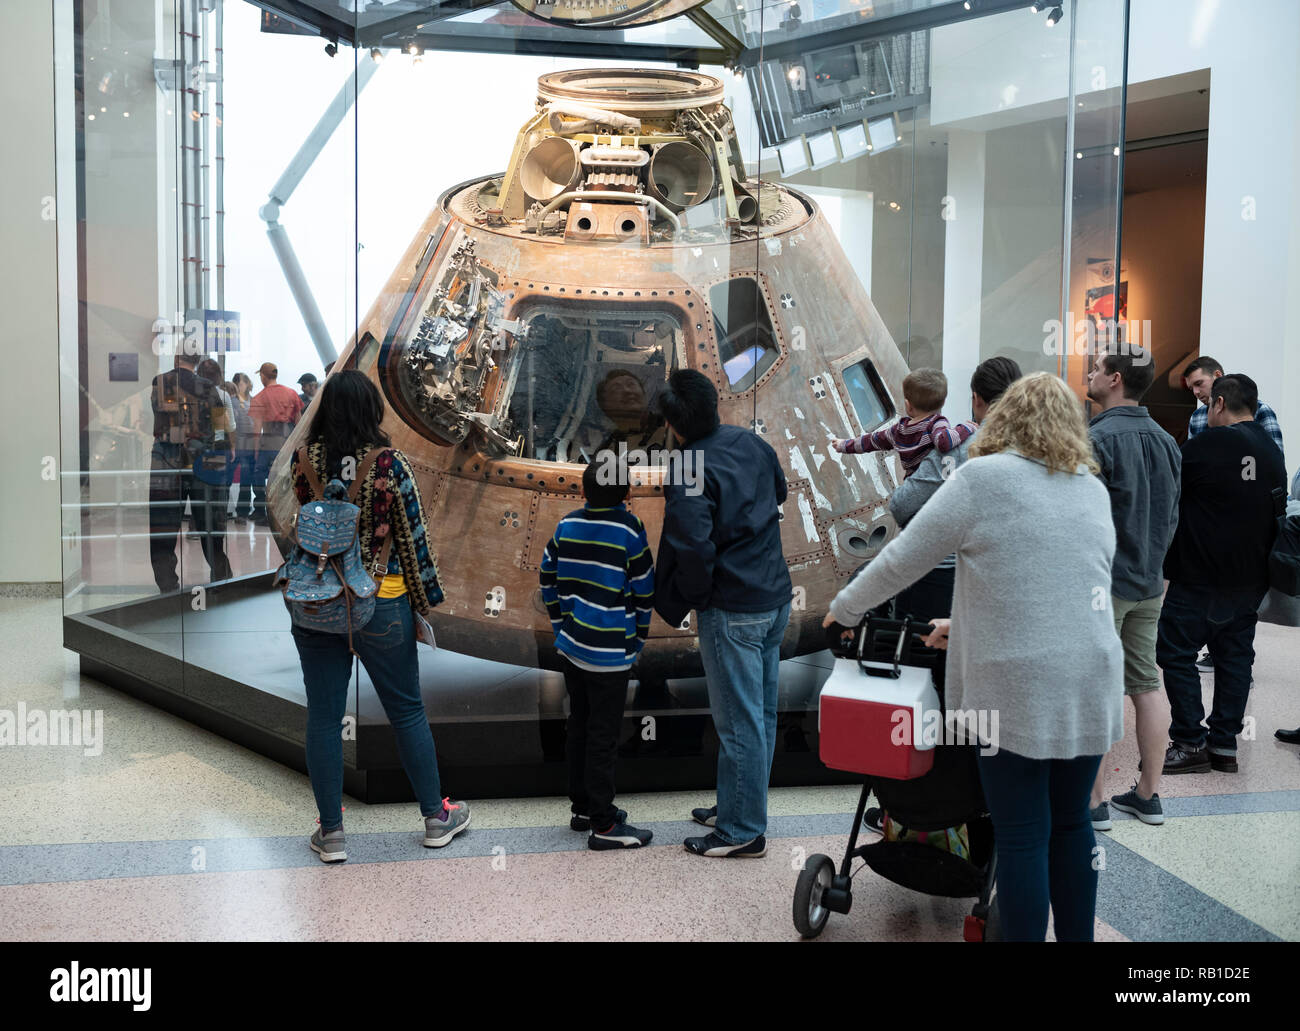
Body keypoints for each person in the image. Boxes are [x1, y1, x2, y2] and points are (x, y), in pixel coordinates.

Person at [823, 372, 1124, 941]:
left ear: (1004, 417)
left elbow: (901, 560)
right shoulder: (1090, 486)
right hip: (1090, 679)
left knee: (1022, 836)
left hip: (1015, 687)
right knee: (1071, 825)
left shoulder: (981, 479)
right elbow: (1064, 589)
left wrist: (846, 609)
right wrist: (963, 624)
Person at [288, 371, 468, 863]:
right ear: (371, 411)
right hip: (381, 601)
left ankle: (332, 833)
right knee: (406, 710)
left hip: (318, 603)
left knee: (324, 719)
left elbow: (304, 529)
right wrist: (425, 599)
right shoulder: (388, 464)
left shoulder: (304, 461)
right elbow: (412, 538)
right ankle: (435, 817)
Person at [855, 356, 1021, 833]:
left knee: (927, 689)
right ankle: (980, 805)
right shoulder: (1041, 450)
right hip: (1003, 594)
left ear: (976, 398)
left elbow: (906, 506)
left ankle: (920, 802)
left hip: (941, 584)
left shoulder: (966, 446)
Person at [655, 369, 791, 857]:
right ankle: (739, 803)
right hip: (775, 600)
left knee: (738, 724)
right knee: (761, 716)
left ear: (673, 424)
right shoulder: (750, 443)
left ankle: (741, 831)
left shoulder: (687, 466)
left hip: (732, 611)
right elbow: (780, 494)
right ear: (716, 405)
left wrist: (696, 597)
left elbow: (693, 546)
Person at [1157, 373, 1287, 774]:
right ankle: (1224, 746)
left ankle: (1188, 740)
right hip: (1250, 580)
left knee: (1175, 653)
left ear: (1218, 403)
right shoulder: (1271, 450)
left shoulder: (1204, 445)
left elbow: (1169, 494)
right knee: (1235, 660)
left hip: (1198, 574)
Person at [1083, 346, 1181, 830]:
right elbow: (1172, 515)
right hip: (1148, 583)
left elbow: (1081, 518)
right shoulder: (1168, 441)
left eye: (1096, 368)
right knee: (1146, 683)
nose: (1089, 374)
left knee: (1099, 687)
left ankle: (1096, 801)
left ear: (1115, 378)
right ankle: (1148, 795)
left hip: (1105, 585)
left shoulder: (1095, 439)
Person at [539, 460, 656, 850]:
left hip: (573, 648)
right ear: (627, 495)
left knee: (580, 727)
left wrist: (561, 625)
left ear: (583, 493)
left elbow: (547, 577)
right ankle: (604, 826)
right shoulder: (630, 529)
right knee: (604, 737)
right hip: (610, 655)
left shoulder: (566, 525)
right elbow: (644, 588)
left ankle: (585, 808)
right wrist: (637, 638)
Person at [148, 352, 232, 591]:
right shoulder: (209, 387)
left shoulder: (160, 383)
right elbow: (221, 427)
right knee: (209, 522)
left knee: (163, 522)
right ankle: (222, 576)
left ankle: (166, 583)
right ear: (195, 363)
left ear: (176, 358)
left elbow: (159, 416)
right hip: (203, 459)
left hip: (167, 458)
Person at [832, 368, 977, 479]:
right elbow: (944, 441)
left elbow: (870, 441)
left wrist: (843, 445)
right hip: (930, 485)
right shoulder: (936, 423)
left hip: (910, 483)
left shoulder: (898, 431)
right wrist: (968, 427)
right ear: (944, 402)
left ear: (908, 405)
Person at [1184, 356, 1283, 457]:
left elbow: (1276, 460)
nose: (1195, 392)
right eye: (1191, 388)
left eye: (1199, 383)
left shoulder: (1261, 410)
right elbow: (1191, 459)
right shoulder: (1196, 417)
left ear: (1218, 375)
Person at [249, 362, 303, 525]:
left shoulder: (259, 397)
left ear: (263, 376)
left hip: (268, 443)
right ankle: (283, 513)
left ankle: (261, 512)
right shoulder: (292, 393)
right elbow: (299, 423)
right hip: (287, 442)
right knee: (285, 478)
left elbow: (257, 430)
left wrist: (255, 452)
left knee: (259, 476)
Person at [228, 372, 256, 520]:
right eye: (237, 384)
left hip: (249, 446)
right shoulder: (231, 401)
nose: (240, 386)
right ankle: (224, 511)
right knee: (226, 480)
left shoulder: (254, 401)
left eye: (241, 383)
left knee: (246, 481)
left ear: (247, 384)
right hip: (235, 445)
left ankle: (242, 512)